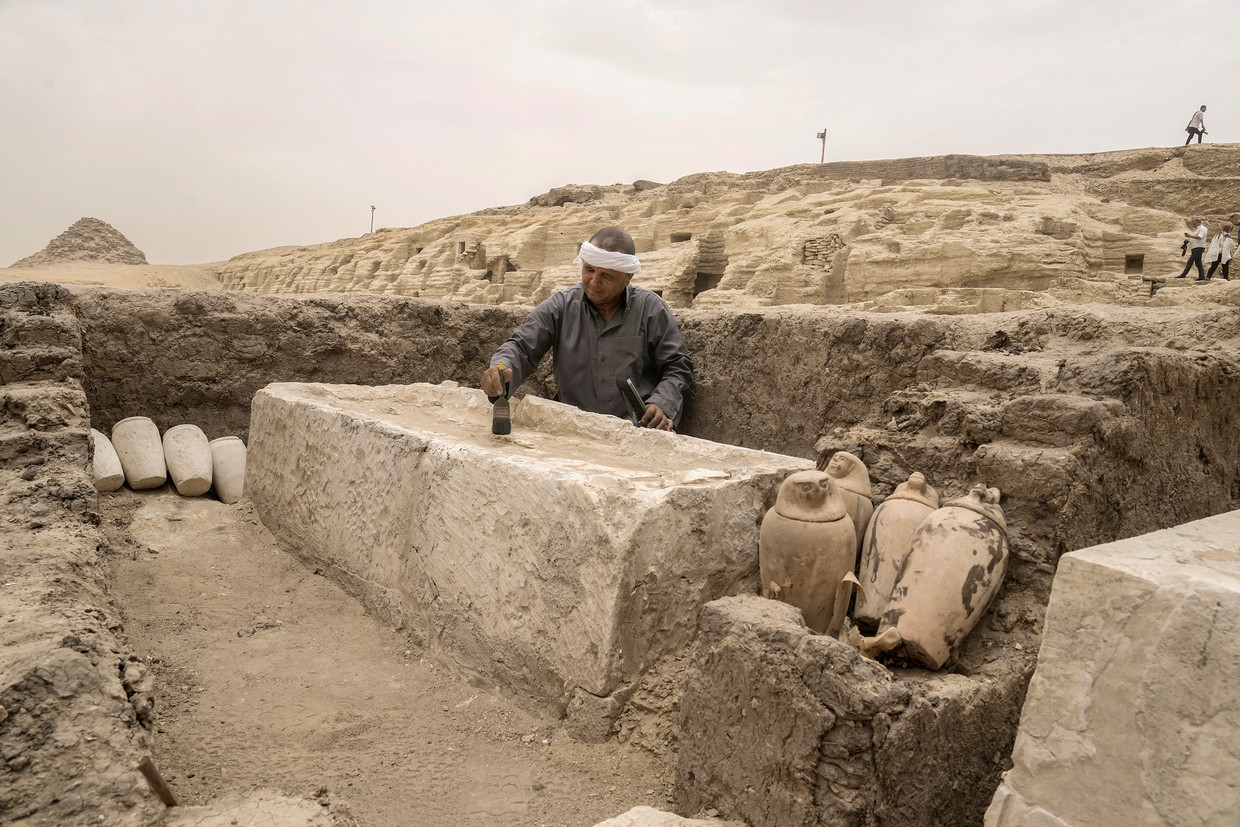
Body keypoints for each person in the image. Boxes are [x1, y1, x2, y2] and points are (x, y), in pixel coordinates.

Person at [481, 226, 694, 431]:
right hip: (572, 429)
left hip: (635, 430)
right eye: (589, 270)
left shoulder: (651, 309)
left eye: (606, 276)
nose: (594, 281)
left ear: (628, 277)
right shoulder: (561, 306)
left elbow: (677, 366)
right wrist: (502, 368)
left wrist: (662, 403)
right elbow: (520, 346)